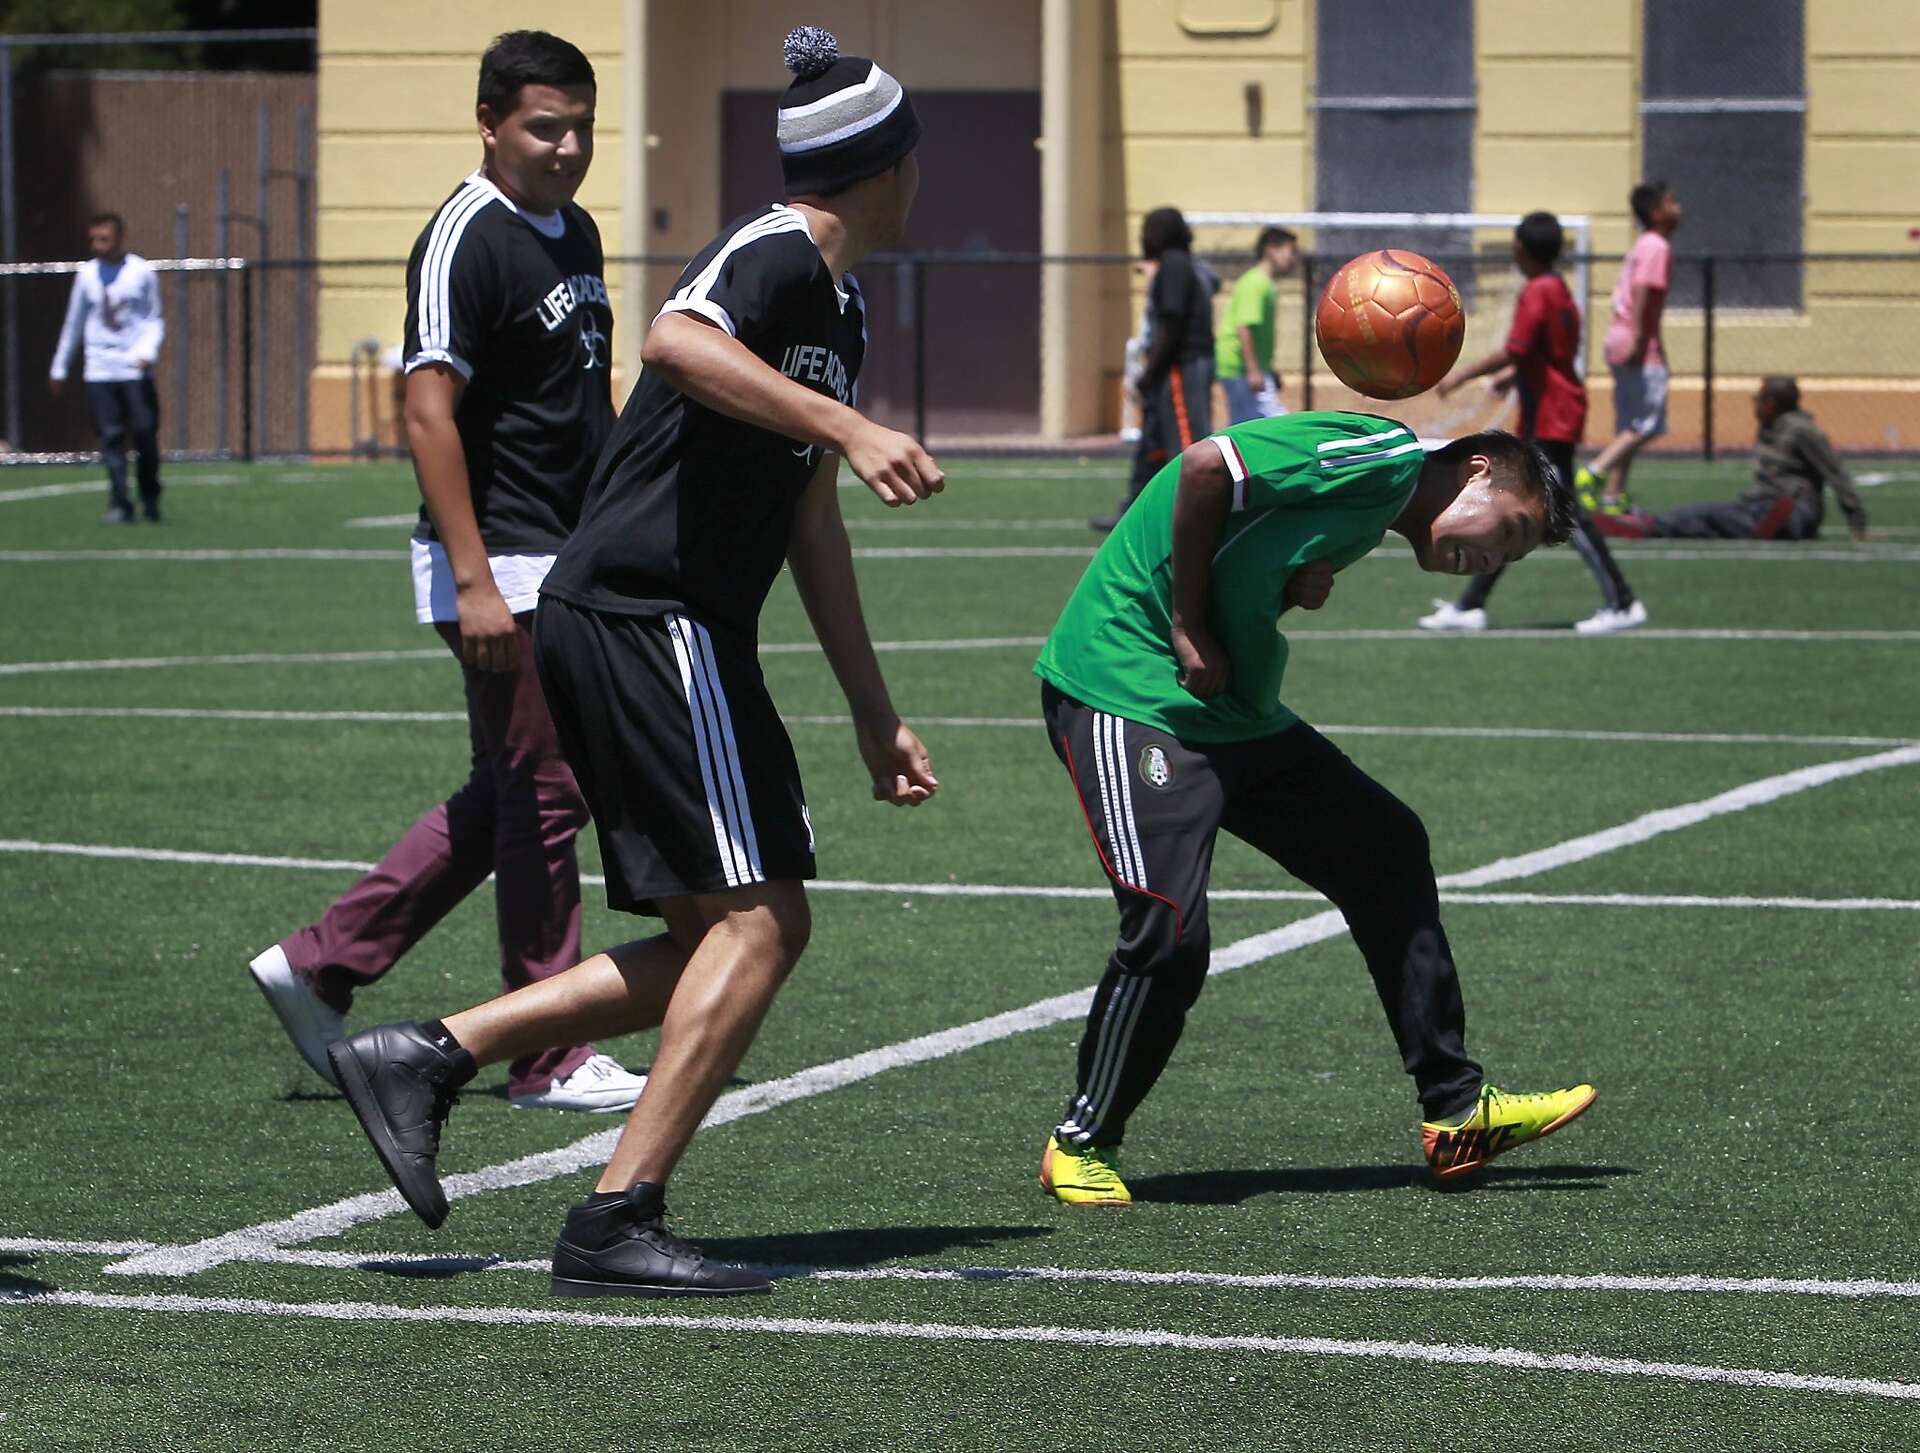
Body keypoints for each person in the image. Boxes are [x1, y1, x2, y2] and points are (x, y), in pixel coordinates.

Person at [325, 26, 944, 1299]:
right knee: (763, 925)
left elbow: (810, 520)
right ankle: (616, 1218)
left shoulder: (841, 304)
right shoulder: (774, 249)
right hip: (644, 613)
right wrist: (847, 420)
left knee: (717, 938)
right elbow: (674, 341)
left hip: (678, 625)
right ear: (890, 168)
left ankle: (426, 1054)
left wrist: (873, 711)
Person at [1032, 411, 1596, 1206]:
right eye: (1507, 531)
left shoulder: (1374, 511)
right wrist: (1187, 623)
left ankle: (1457, 1110)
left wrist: (1290, 585)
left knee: (1386, 845)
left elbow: (1244, 541)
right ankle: (1083, 1139)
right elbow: (1206, 466)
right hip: (1128, 688)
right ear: (1475, 469)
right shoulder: (1386, 454)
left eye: (1510, 556)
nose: (1491, 559)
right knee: (1168, 930)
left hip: (1230, 709)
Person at [247, 31, 646, 1114]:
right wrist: (474, 580)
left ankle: (322, 962)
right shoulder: (464, 236)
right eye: (544, 127)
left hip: (566, 554)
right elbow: (426, 410)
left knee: (514, 787)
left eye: (582, 127)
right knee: (547, 790)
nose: (567, 148)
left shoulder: (577, 232)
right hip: (501, 559)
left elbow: (583, 400)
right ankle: (546, 1050)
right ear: (488, 123)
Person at [1420, 211, 1645, 635]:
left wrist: (1462, 375)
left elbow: (1515, 349)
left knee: (1563, 510)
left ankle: (1622, 602)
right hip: (1556, 409)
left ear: (1521, 250)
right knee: (1517, 504)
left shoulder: (1537, 291)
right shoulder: (1558, 288)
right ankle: (1471, 604)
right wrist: (1512, 378)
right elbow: (1545, 352)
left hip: (1551, 416)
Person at [1594, 376, 1871, 542]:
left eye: (1759, 399)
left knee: (1710, 516)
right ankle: (1651, 525)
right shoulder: (1772, 427)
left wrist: (1857, 521)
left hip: (1793, 512)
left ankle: (1647, 528)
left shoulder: (1802, 431)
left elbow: (1836, 474)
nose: (1755, 404)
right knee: (1708, 517)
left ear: (1771, 404)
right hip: (1761, 506)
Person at [1093, 207, 1215, 531]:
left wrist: (1151, 373)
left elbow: (1172, 324)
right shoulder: (1178, 266)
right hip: (1173, 367)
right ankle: (1137, 513)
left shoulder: (1175, 265)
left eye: (1148, 229)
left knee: (1187, 444)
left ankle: (1196, 515)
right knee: (1154, 443)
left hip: (1182, 365)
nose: (1143, 236)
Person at [47, 212, 165, 525]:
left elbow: (153, 318)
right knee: (111, 437)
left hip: (134, 370)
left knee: (145, 433)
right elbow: (74, 323)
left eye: (105, 239)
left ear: (120, 238)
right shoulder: (87, 275)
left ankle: (150, 496)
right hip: (100, 370)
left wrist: (147, 352)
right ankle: (120, 503)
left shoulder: (141, 272)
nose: (98, 246)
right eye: (94, 240)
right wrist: (60, 367)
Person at [1576, 181, 1682, 515]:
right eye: (1671, 202)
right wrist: (1640, 338)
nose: (1679, 208)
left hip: (1619, 339)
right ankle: (1593, 472)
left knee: (1629, 425)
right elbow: (1642, 291)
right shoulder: (1657, 246)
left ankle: (1613, 496)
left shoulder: (1643, 244)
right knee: (1648, 424)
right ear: (1656, 212)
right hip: (1636, 342)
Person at [1215, 225, 1298, 426]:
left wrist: (1266, 368)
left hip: (1245, 367)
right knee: (1278, 424)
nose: (1294, 259)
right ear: (1271, 250)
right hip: (1240, 368)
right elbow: (1244, 326)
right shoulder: (1256, 283)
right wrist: (1253, 370)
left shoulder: (1264, 283)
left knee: (1244, 424)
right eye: (1291, 251)